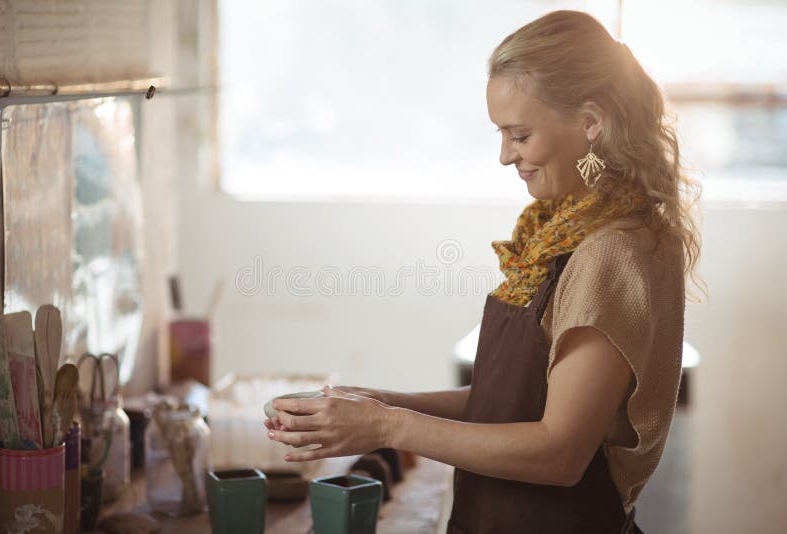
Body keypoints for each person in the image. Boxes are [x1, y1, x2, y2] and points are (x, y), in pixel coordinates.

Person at [265, 9, 704, 533]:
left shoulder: (615, 251)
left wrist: (388, 425)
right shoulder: (561, 231)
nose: (504, 156)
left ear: (590, 121)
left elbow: (558, 453)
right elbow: (515, 405)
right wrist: (376, 403)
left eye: (520, 135)